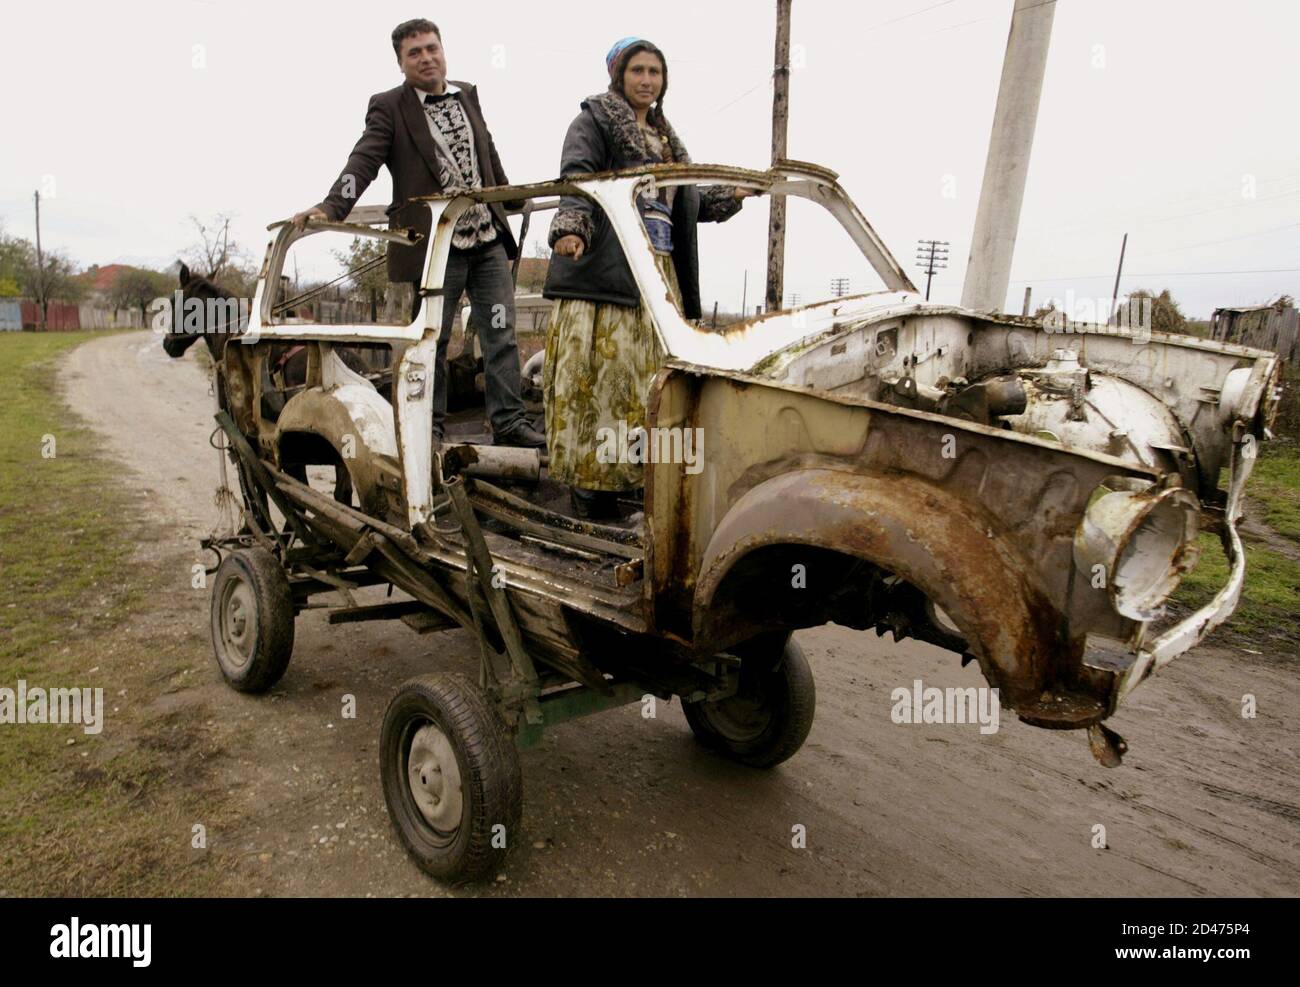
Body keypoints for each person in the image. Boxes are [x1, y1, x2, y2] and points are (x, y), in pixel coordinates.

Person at [292, 18, 545, 449]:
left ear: (443, 50)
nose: (426, 58)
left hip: (485, 241)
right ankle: (429, 430)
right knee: (433, 341)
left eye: (432, 48)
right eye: (415, 53)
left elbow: (487, 150)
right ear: (400, 63)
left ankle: (509, 423)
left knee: (500, 333)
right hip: (434, 248)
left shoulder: (468, 93)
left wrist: (511, 199)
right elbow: (364, 161)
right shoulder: (390, 106)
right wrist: (332, 205)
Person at [542, 37, 754, 518]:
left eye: (655, 72)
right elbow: (577, 178)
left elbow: (686, 204)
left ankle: (636, 477)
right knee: (600, 383)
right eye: (637, 70)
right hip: (608, 273)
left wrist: (731, 194)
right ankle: (591, 488)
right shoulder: (593, 121)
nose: (646, 80)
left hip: (659, 275)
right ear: (619, 75)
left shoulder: (666, 139)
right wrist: (571, 228)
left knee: (649, 385)